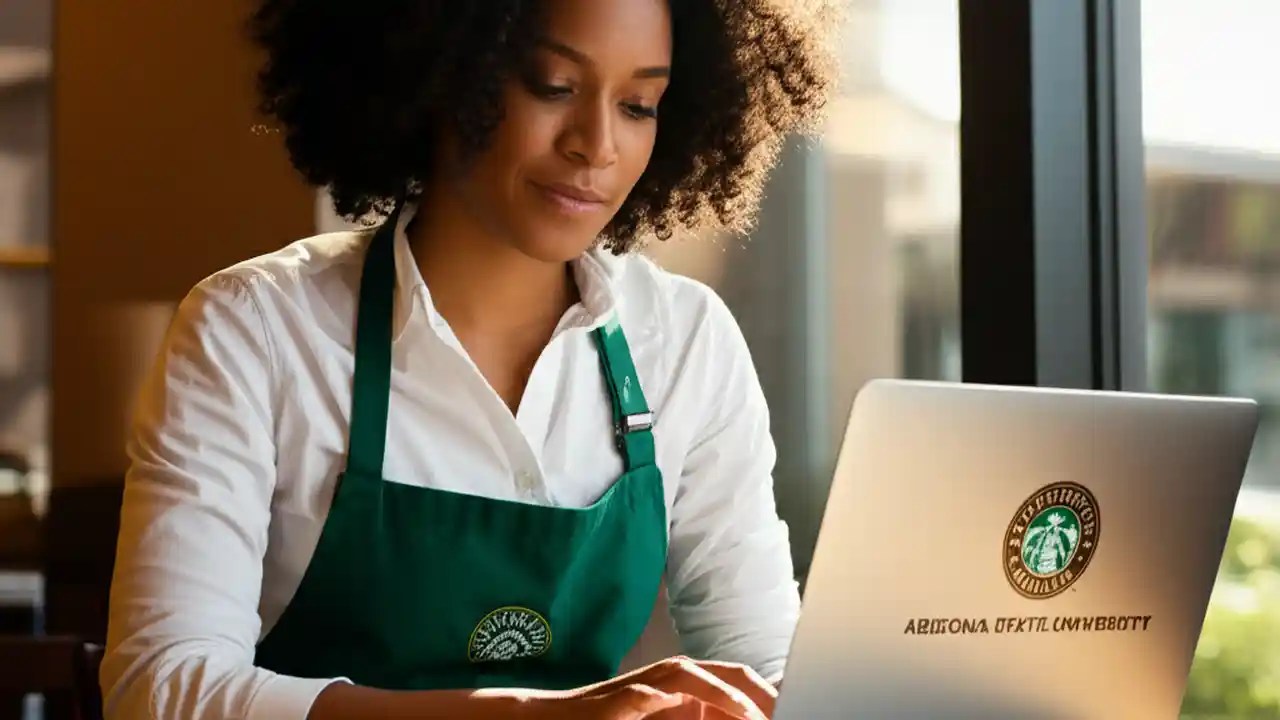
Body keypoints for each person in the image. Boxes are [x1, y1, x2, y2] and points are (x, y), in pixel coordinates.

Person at [101, 0, 836, 718]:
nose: (597, 144)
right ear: (443, 70)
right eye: (554, 86)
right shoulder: (256, 331)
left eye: (640, 103)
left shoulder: (686, 343)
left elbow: (764, 668)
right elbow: (161, 689)